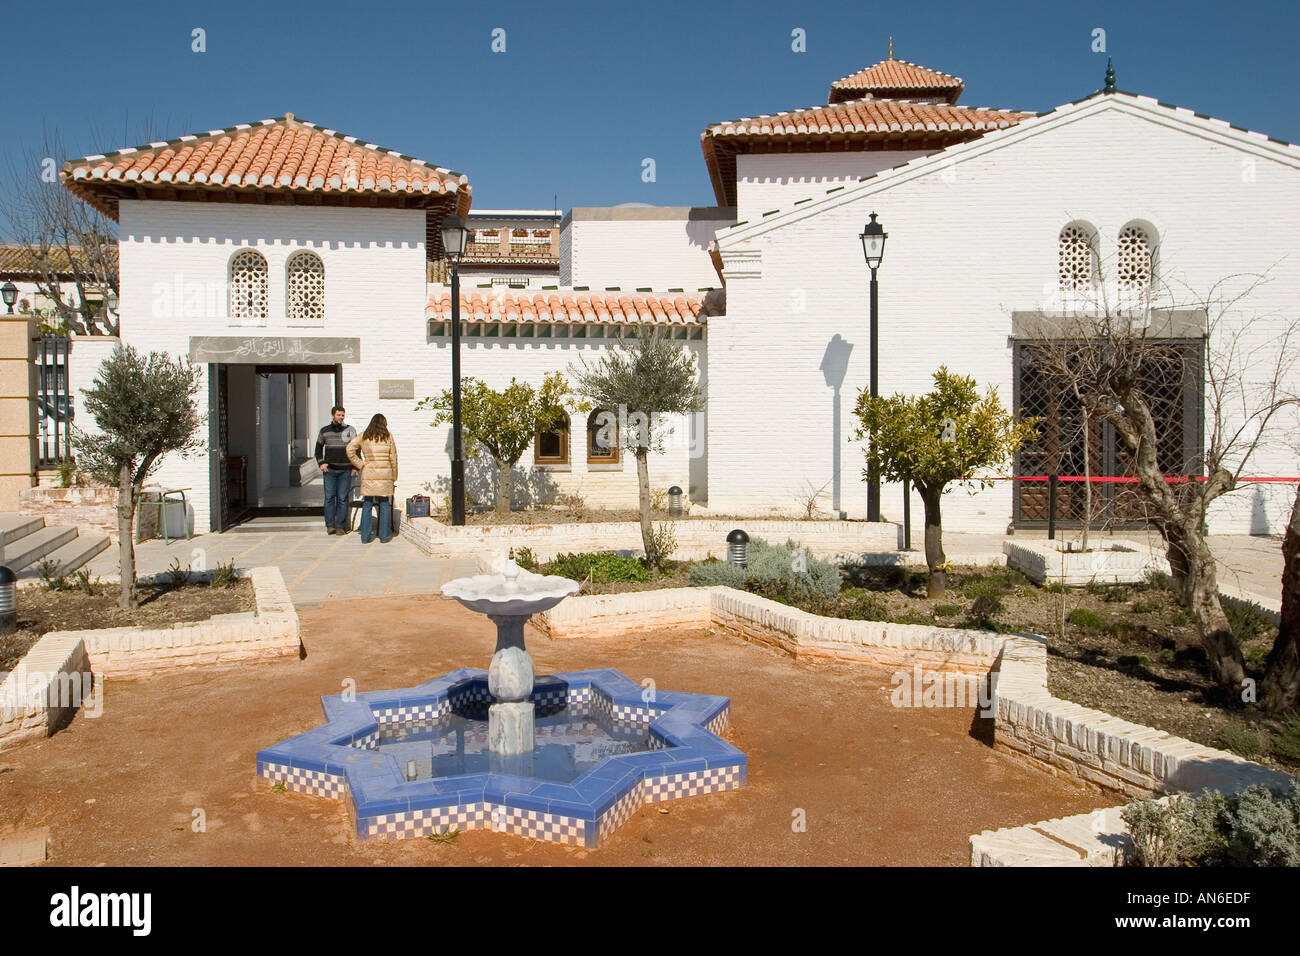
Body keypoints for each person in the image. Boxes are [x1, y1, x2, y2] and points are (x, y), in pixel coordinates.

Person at [346, 414, 398, 544]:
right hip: (385, 474)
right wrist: (394, 476)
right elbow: (393, 458)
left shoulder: (364, 435)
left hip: (369, 473)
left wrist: (360, 463)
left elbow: (350, 449)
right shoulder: (388, 436)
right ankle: (384, 536)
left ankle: (365, 537)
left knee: (367, 503)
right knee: (384, 504)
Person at [314, 405, 358, 535]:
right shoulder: (324, 431)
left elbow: (356, 448)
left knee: (342, 498)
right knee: (329, 498)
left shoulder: (350, 430)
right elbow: (318, 449)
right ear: (333, 415)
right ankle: (330, 525)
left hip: (345, 470)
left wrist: (355, 466)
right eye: (339, 415)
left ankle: (340, 526)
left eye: (343, 415)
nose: (341, 417)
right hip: (330, 471)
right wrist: (321, 463)